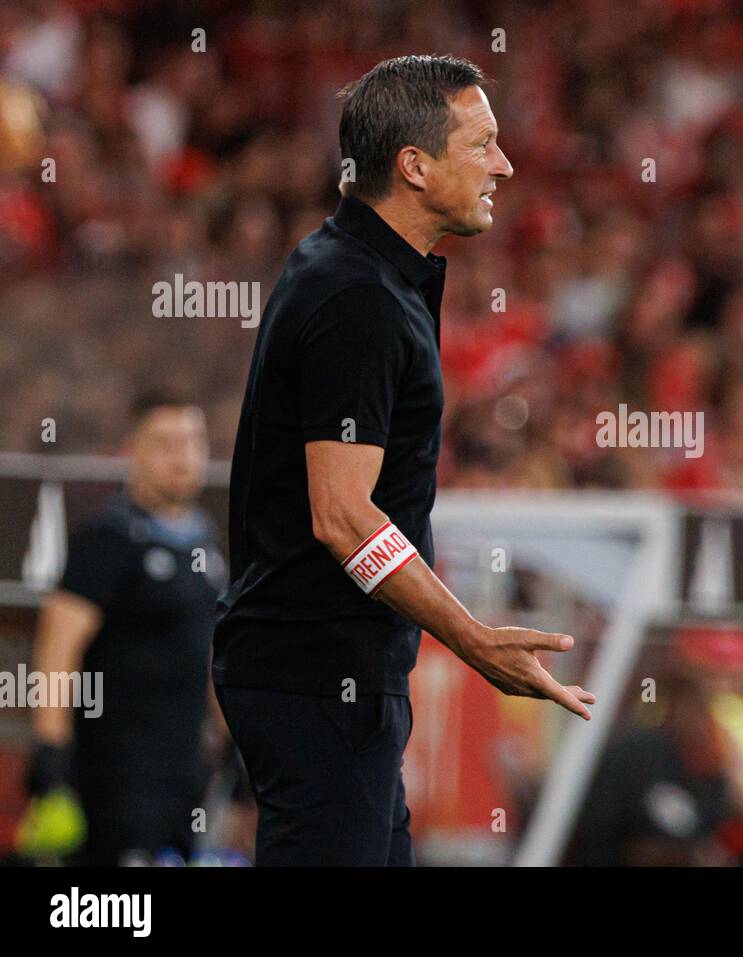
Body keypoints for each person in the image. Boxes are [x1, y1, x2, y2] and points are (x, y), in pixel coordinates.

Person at [213, 54, 594, 866]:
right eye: (482, 144)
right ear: (414, 166)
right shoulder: (358, 298)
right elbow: (342, 514)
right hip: (314, 678)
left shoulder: (360, 272)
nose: (505, 164)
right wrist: (473, 636)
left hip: (332, 677)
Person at [27, 388, 224, 866]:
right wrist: (50, 750)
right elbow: (57, 648)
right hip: (116, 775)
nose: (182, 457)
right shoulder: (106, 541)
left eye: (192, 442)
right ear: (132, 451)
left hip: (185, 771)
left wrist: (232, 735)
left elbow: (214, 646)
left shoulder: (207, 544)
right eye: (165, 443)